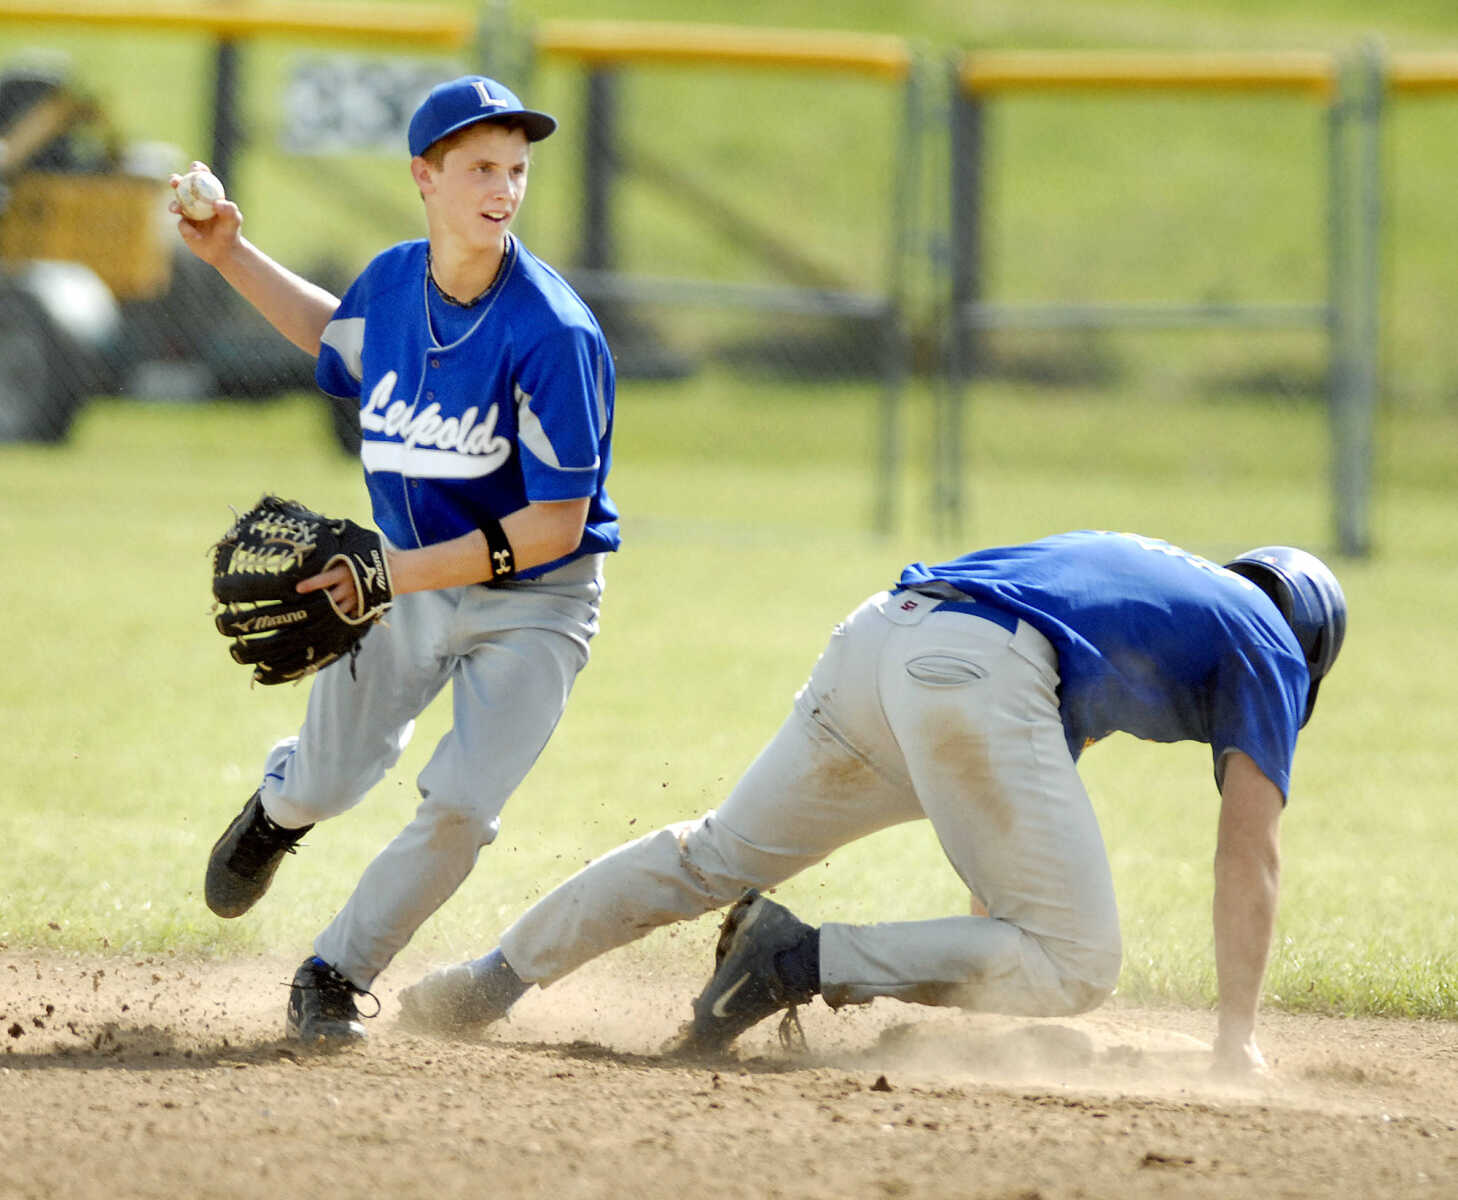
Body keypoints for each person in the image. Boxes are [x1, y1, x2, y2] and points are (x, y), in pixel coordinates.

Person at [398, 531, 1345, 1077]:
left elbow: (1002, 850)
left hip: (891, 636)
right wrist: (1235, 1041)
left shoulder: (1157, 594)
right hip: (976, 666)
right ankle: (794, 960)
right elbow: (1250, 852)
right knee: (1082, 963)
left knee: (717, 853)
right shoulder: (1269, 641)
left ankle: (489, 981)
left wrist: (993, 984)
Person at [173, 76, 619, 1042]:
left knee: (463, 807)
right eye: (480, 169)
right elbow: (333, 337)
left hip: (534, 602)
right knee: (332, 781)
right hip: (407, 577)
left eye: (517, 169)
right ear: (425, 176)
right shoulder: (392, 283)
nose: (502, 189)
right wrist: (230, 252)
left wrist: (387, 575)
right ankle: (280, 807)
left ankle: (333, 974)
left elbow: (555, 523)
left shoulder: (552, 332)